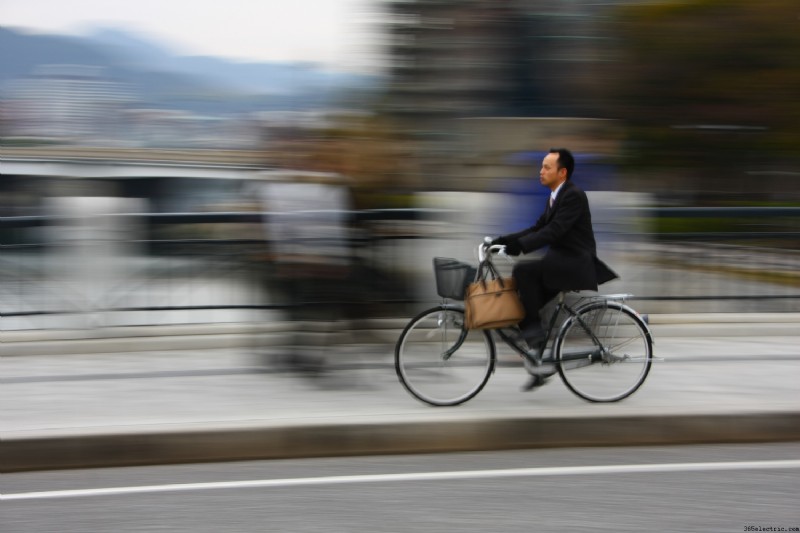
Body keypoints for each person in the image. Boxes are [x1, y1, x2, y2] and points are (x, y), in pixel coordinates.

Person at [492, 147, 617, 390]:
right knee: (527, 304)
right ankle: (538, 360)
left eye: (547, 167)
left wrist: (521, 247)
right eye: (541, 166)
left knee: (523, 273)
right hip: (560, 262)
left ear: (562, 172)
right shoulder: (555, 197)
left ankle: (535, 339)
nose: (541, 171)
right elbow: (537, 228)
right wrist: (503, 240)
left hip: (574, 264)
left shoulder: (573, 195)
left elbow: (554, 231)